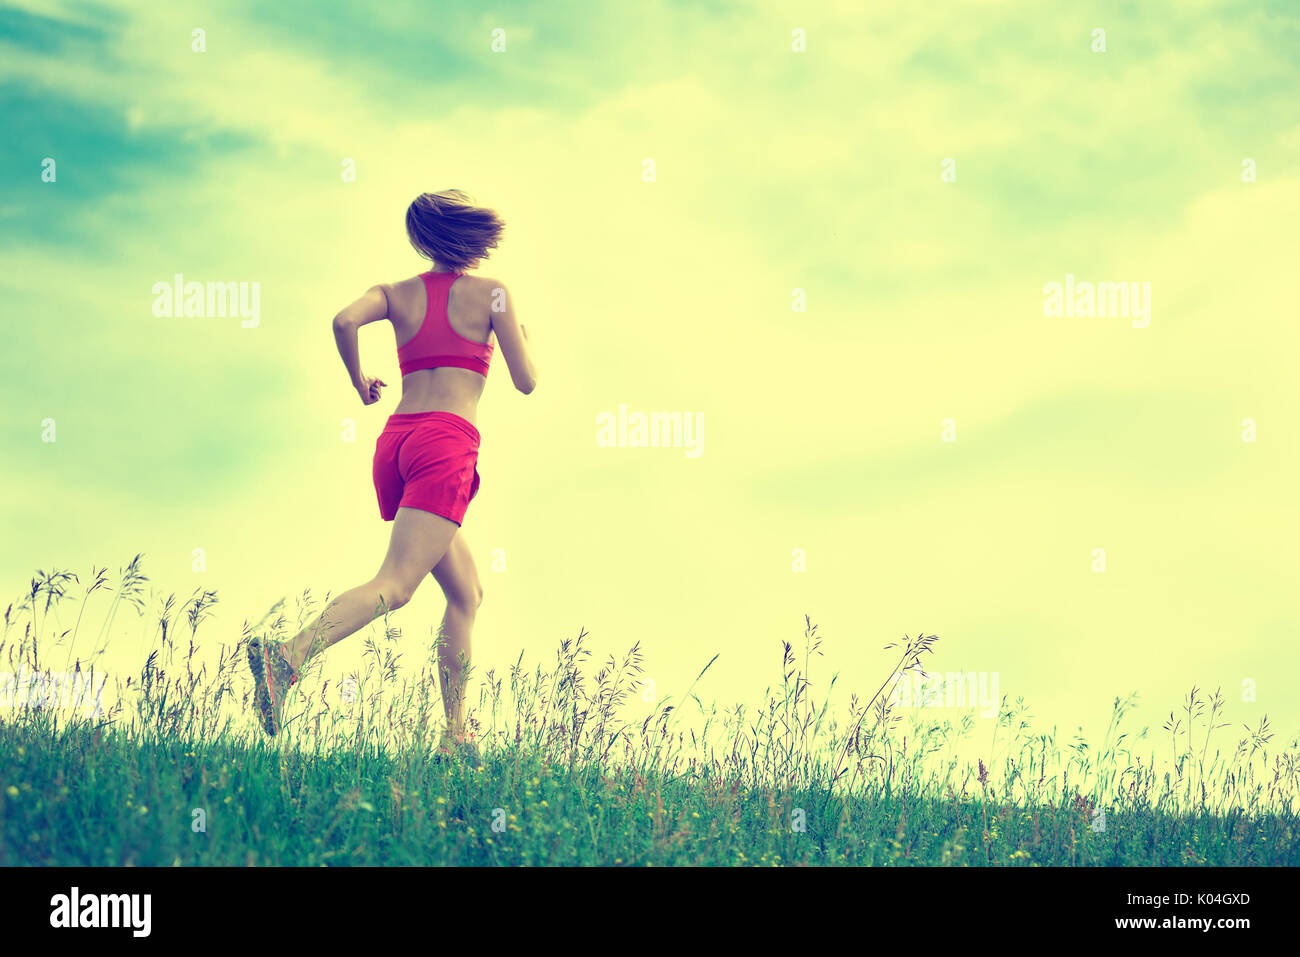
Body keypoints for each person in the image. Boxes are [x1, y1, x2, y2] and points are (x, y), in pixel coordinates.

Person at [247, 189, 537, 760]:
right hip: (446, 443)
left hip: (396, 442)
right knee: (397, 585)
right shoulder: (494, 294)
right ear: (471, 236)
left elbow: (342, 320)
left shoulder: (395, 293)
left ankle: (455, 736)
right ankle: (288, 658)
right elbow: (527, 381)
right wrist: (521, 337)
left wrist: (359, 382)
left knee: (467, 592)